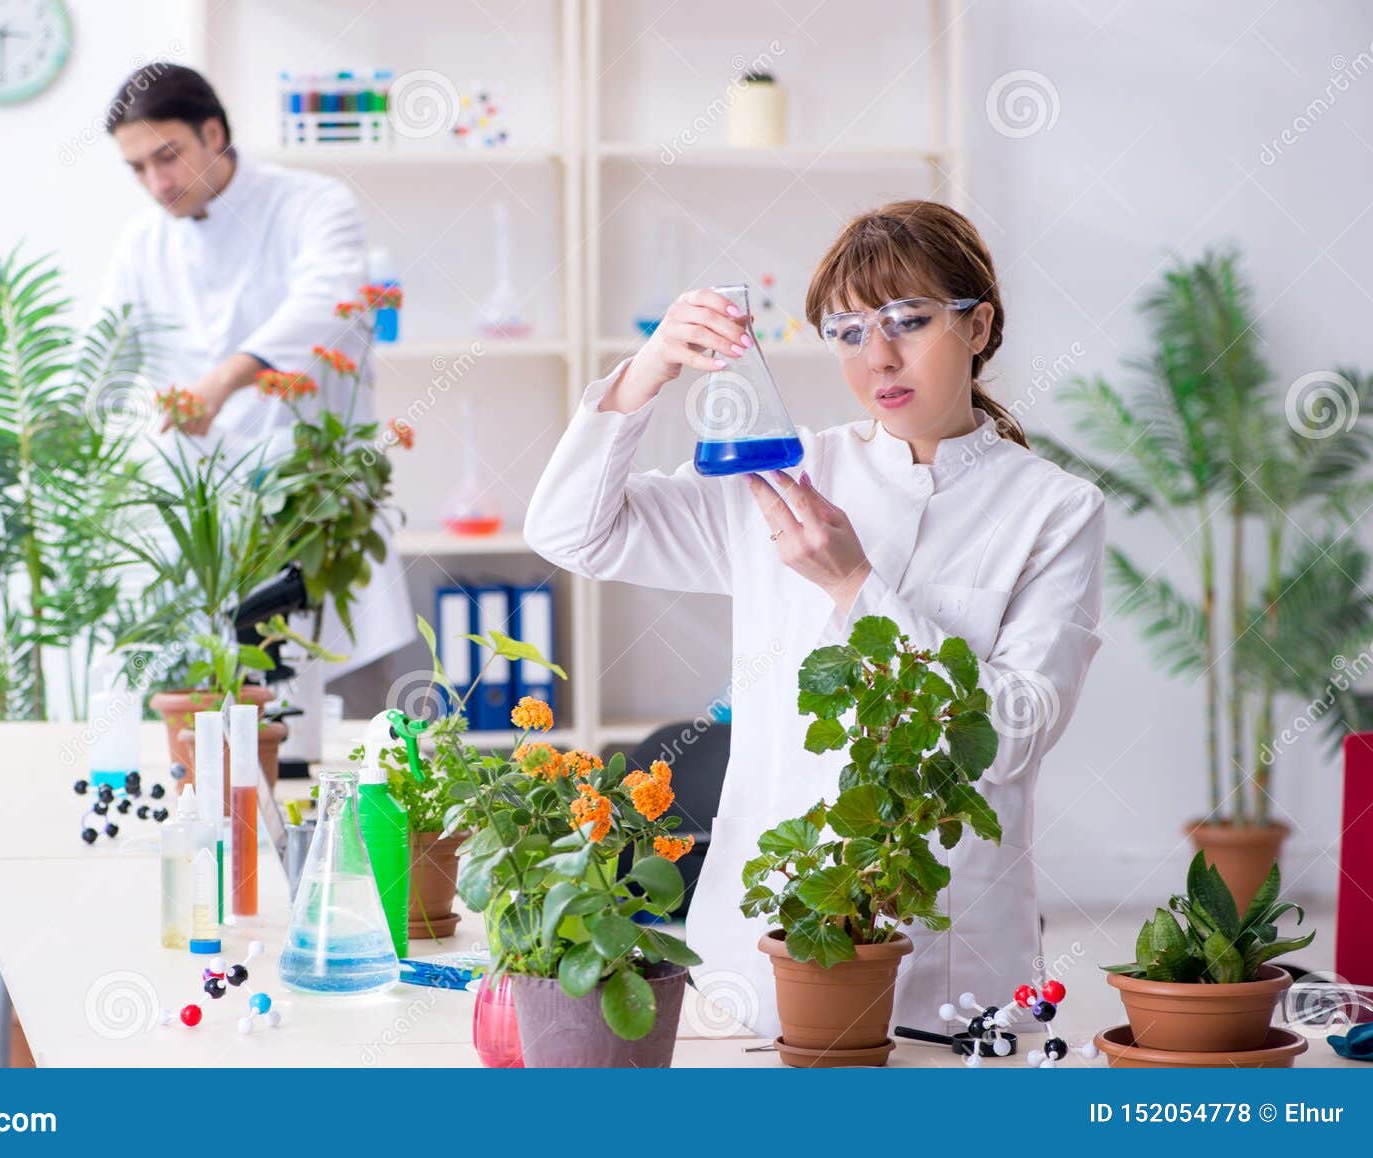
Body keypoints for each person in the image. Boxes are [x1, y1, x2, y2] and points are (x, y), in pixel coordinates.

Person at [523, 200, 1106, 1035]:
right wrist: (647, 371)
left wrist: (855, 585)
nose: (880, 356)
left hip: (945, 958)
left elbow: (1012, 732)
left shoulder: (1054, 509)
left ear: (977, 328)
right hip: (756, 948)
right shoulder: (787, 473)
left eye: (908, 320)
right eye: (847, 331)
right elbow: (572, 531)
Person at [98, 63, 413, 709]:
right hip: (205, 529)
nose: (157, 183)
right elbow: (104, 357)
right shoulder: (140, 243)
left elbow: (325, 300)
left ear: (213, 132)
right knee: (215, 735)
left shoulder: (312, 202)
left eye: (168, 156)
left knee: (344, 726)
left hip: (315, 506)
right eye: (137, 169)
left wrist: (222, 383)